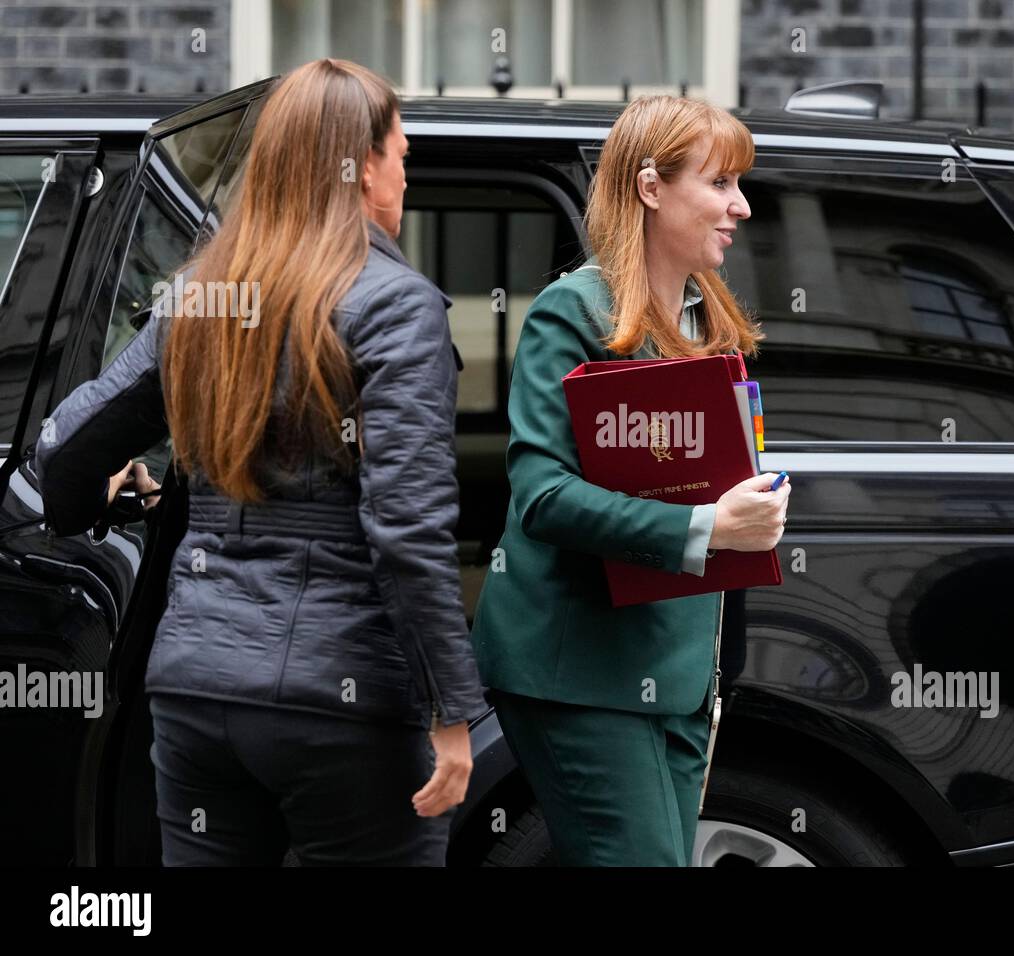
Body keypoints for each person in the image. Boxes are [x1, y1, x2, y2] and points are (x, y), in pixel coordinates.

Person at [33, 58, 485, 866]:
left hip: (196, 693)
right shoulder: (394, 303)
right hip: (341, 701)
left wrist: (86, 508)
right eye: (403, 158)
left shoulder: (202, 296)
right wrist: (453, 711)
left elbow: (66, 445)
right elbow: (407, 531)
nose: (404, 183)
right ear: (362, 167)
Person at [470, 94, 791, 866]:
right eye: (720, 184)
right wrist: (709, 528)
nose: (741, 207)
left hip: (677, 669)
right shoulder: (573, 311)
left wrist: (751, 509)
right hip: (580, 671)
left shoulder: (705, 318)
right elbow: (543, 495)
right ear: (651, 188)